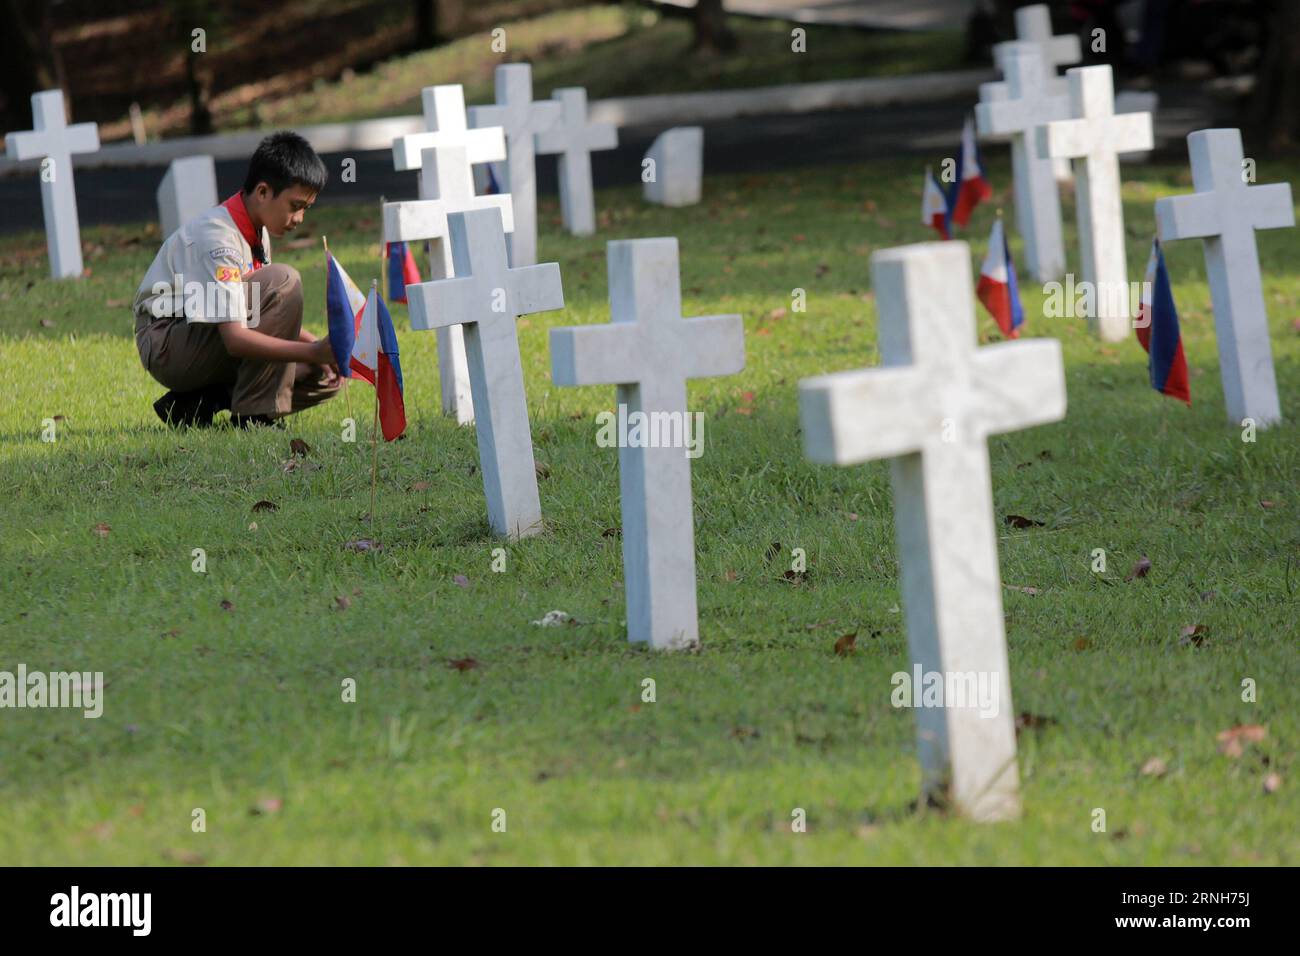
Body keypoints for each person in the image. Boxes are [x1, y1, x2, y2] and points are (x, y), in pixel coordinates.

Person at [133, 131, 340, 428]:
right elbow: (235, 338)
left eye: (306, 208)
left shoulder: (258, 229)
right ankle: (254, 417)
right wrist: (312, 350)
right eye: (295, 206)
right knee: (284, 280)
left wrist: (321, 351)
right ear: (263, 192)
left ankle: (199, 402)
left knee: (324, 376)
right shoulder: (219, 239)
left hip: (204, 332)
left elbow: (260, 310)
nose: (299, 219)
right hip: (167, 342)